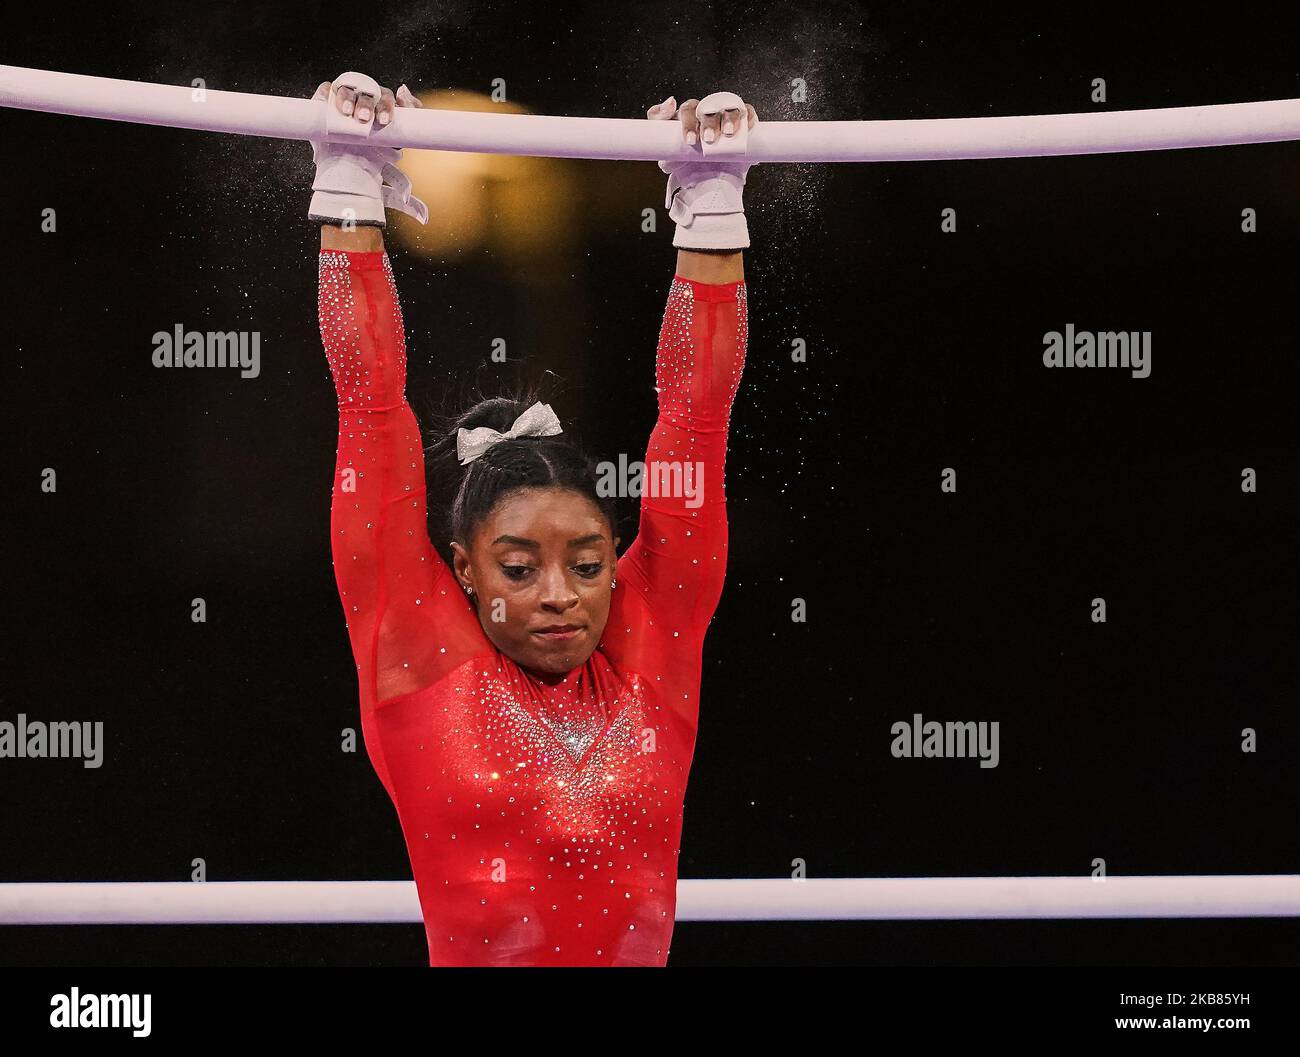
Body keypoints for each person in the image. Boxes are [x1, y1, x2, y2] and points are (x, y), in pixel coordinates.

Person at [310, 72, 756, 966]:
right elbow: (370, 410)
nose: (562, 597)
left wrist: (712, 206)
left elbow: (696, 426)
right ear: (463, 568)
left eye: (589, 564)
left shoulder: (649, 639)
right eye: (519, 568)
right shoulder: (416, 647)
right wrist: (348, 186)